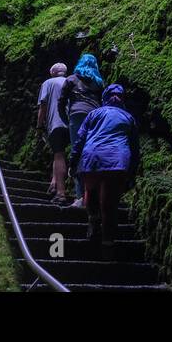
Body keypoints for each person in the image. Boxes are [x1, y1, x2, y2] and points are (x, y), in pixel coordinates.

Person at [72, 84, 138, 256]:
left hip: (92, 157)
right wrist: (132, 172)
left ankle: (93, 222)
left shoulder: (94, 114)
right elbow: (135, 148)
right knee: (109, 204)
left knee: (91, 192)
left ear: (105, 97)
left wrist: (73, 161)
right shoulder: (128, 117)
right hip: (117, 160)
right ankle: (107, 244)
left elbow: (80, 139)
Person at [59, 52, 104, 207]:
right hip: (95, 117)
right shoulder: (98, 83)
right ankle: (93, 194)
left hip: (77, 116)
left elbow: (62, 101)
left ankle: (80, 195)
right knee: (92, 153)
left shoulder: (71, 79)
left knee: (77, 153)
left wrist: (66, 119)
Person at [36, 63, 70, 203]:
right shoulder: (71, 81)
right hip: (72, 123)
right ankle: (54, 183)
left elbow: (43, 106)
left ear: (53, 73)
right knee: (62, 154)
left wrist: (39, 126)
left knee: (58, 154)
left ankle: (61, 193)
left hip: (56, 123)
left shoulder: (48, 83)